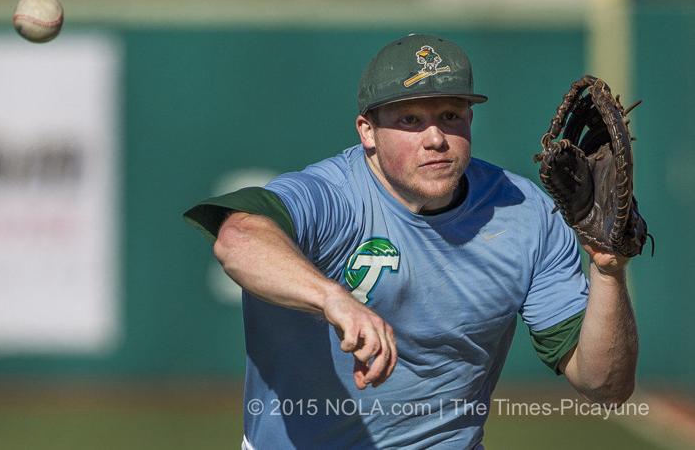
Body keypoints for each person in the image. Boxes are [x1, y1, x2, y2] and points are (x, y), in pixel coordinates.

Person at [184, 34, 638, 449]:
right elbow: (237, 237)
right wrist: (332, 298)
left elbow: (604, 385)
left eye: (449, 116)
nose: (436, 137)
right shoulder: (332, 196)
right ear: (367, 131)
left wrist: (608, 272)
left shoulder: (525, 213)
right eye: (410, 119)